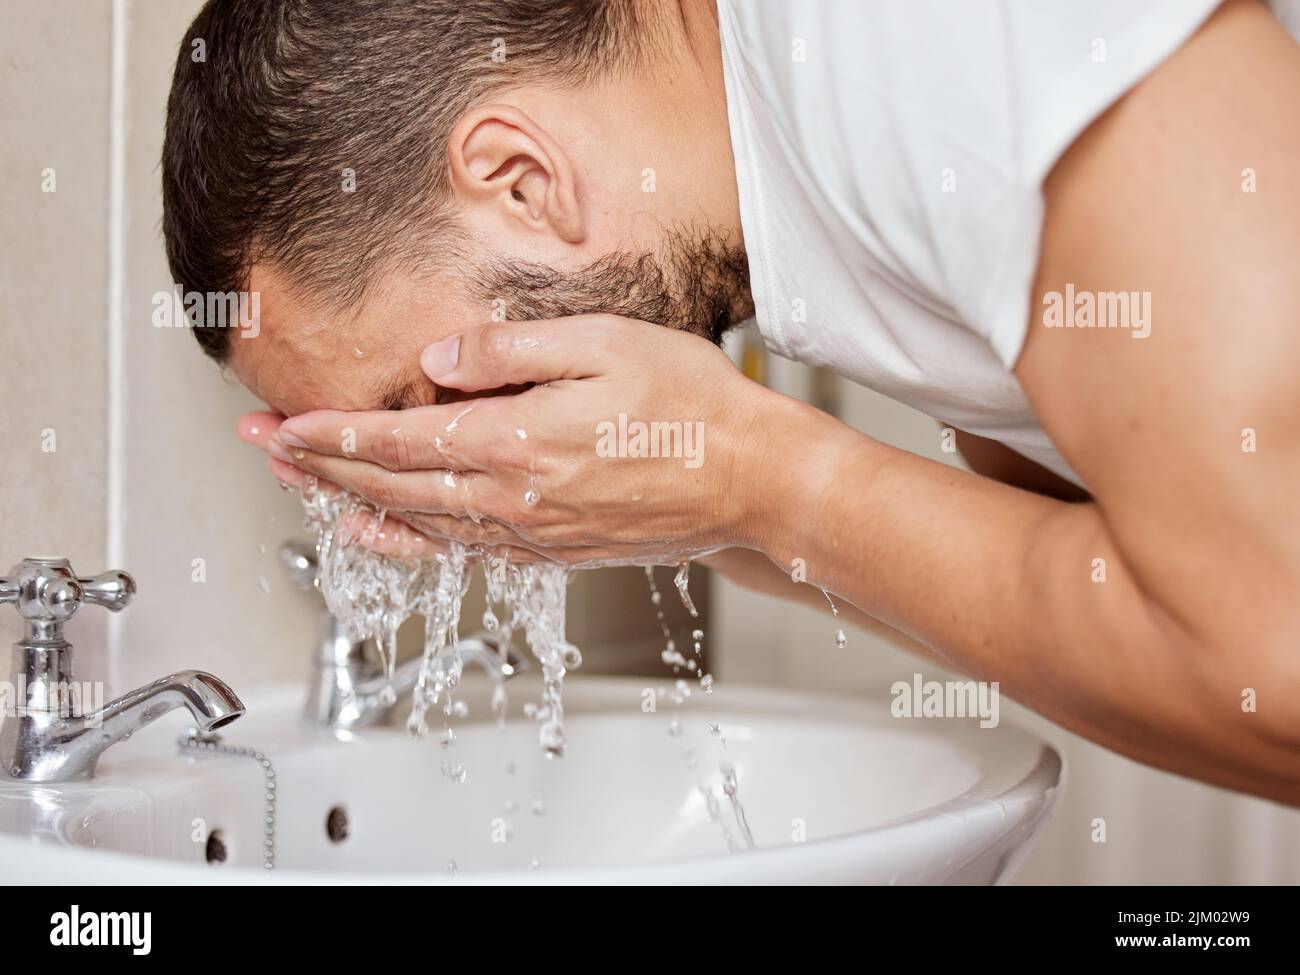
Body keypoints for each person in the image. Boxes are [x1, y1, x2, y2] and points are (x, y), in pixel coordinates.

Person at [162, 0, 1300, 804]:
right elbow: (1104, 579)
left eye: (422, 407)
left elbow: (1271, 664)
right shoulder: (819, 162)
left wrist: (770, 486)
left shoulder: (905, 38)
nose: (449, 457)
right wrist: (707, 509)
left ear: (522, 181)